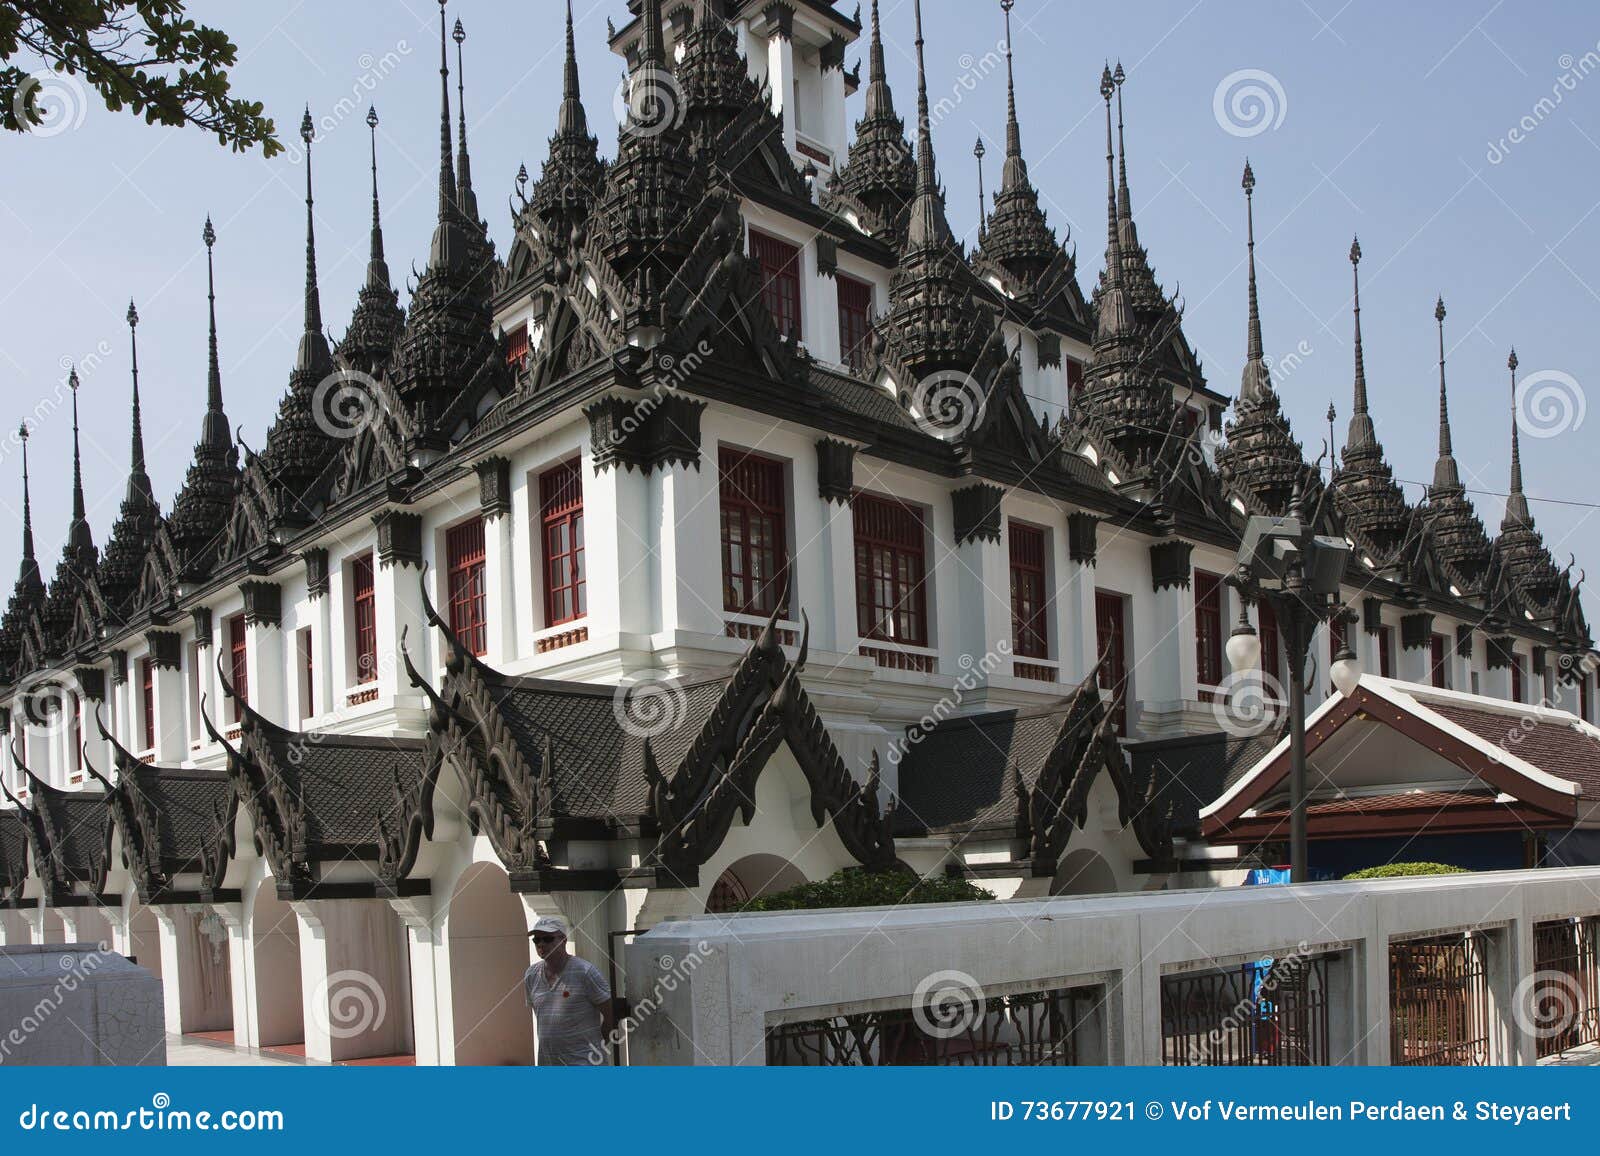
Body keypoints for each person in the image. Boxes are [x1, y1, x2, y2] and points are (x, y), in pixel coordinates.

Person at [523, 915, 614, 1065]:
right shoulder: (531, 975)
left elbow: (610, 1015)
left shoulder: (585, 972)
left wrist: (595, 1047)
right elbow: (543, 1019)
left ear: (563, 940)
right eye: (536, 940)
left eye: (547, 939)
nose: (541, 944)